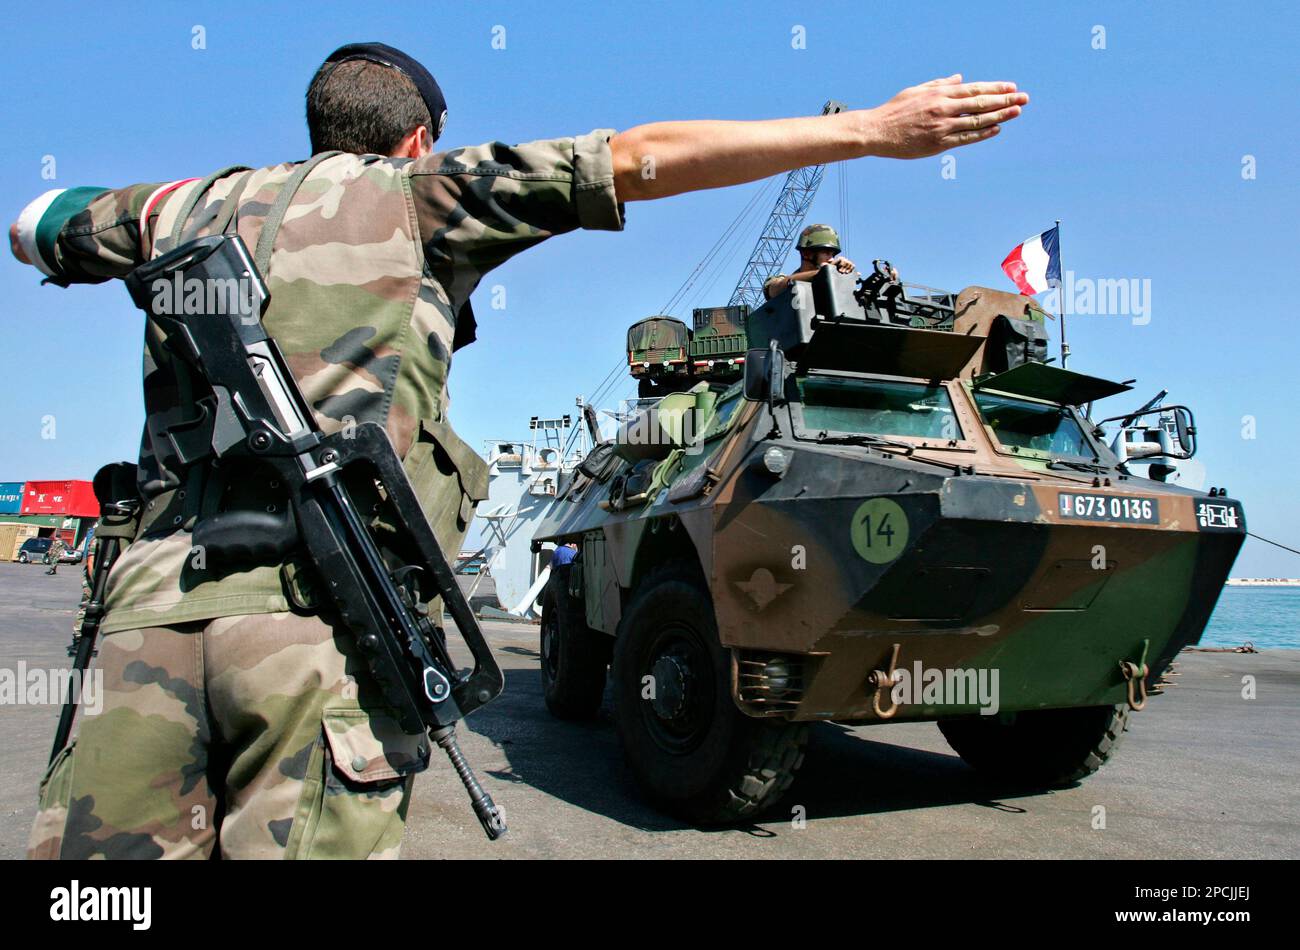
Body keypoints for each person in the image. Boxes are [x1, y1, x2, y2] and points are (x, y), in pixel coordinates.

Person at [11, 46, 1026, 858]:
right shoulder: (422, 193)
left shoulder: (176, 209)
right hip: (317, 621)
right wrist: (870, 131)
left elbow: (34, 224)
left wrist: (145, 211)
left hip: (145, 618)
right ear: (415, 139)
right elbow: (639, 155)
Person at [763, 224, 858, 300]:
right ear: (806, 254)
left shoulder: (834, 286)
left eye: (833, 255)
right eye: (826, 252)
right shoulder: (779, 281)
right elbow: (774, 288)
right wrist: (823, 273)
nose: (831, 259)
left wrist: (847, 279)